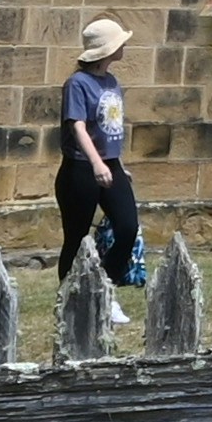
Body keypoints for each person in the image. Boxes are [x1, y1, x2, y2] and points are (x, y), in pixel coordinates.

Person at [55, 17, 143, 288]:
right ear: (106, 50)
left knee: (128, 228)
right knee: (77, 237)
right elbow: (78, 127)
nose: (124, 47)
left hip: (110, 165)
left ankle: (105, 286)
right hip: (80, 169)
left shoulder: (112, 81)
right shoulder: (78, 83)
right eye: (120, 43)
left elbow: (108, 128)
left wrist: (117, 163)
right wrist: (96, 164)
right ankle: (68, 294)